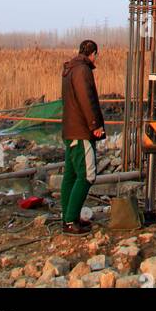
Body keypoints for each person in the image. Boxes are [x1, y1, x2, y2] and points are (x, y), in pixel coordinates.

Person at [60, 38, 105, 234]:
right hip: (80, 131)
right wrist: (94, 125)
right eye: (96, 55)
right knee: (87, 175)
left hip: (70, 130)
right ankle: (70, 221)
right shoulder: (82, 70)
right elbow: (87, 99)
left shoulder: (70, 69)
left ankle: (69, 217)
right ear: (92, 53)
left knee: (70, 175)